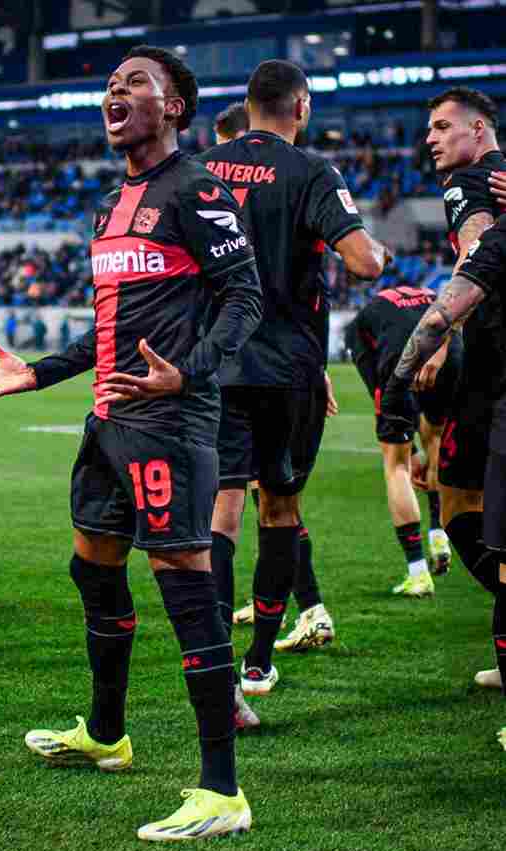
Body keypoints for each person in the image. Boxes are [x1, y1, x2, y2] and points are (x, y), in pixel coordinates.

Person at [0, 46, 263, 841]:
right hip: (106, 424)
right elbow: (106, 332)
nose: (115, 92)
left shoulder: (198, 188)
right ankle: (106, 733)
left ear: (176, 109)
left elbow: (244, 296)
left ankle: (222, 793)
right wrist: (40, 374)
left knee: (186, 591)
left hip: (169, 423)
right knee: (92, 567)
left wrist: (187, 375)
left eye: (136, 83)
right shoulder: (107, 206)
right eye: (111, 83)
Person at [194, 60, 390, 700]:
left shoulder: (200, 170)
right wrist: (381, 250)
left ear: (248, 104)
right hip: (288, 367)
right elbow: (362, 261)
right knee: (279, 506)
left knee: (221, 512)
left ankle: (217, 659)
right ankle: (257, 663)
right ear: (300, 107)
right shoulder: (311, 172)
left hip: (218, 363)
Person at [381, 214, 506, 748]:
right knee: (462, 516)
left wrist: (397, 378)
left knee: (499, 546)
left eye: (440, 124)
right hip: (482, 395)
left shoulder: (494, 235)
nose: (430, 137)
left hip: (499, 402)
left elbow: (439, 315)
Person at [421, 87, 506, 688]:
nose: (431, 138)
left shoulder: (471, 181)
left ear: (478, 130)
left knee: (460, 508)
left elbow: (475, 251)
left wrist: (443, 329)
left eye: (443, 126)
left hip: (494, 371)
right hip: (489, 367)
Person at [348, 284, 461, 595]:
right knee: (436, 438)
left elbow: (376, 385)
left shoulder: (362, 322)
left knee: (396, 465)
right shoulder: (428, 292)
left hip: (401, 355)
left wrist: (406, 448)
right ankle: (440, 537)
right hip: (450, 352)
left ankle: (418, 573)